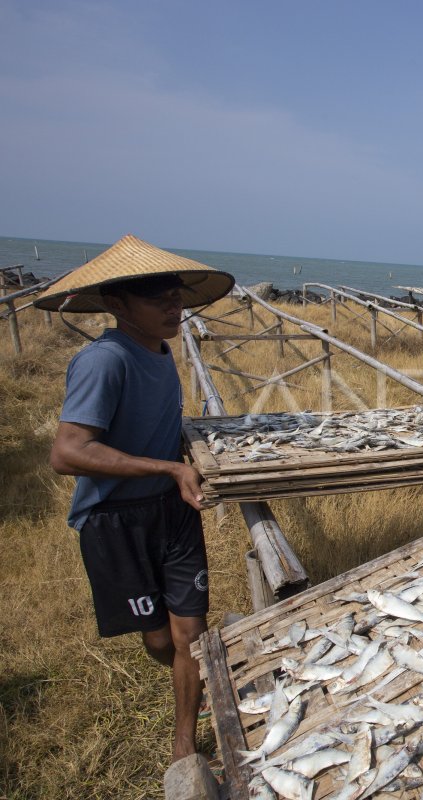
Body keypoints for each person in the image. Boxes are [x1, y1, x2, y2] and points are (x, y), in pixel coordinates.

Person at [35, 234, 234, 762]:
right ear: (118, 305)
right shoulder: (104, 360)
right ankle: (187, 676)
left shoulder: (161, 350)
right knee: (158, 641)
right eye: (157, 299)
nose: (174, 308)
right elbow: (68, 452)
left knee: (189, 632)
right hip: (116, 519)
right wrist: (167, 466)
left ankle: (184, 741)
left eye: (176, 296)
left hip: (171, 511)